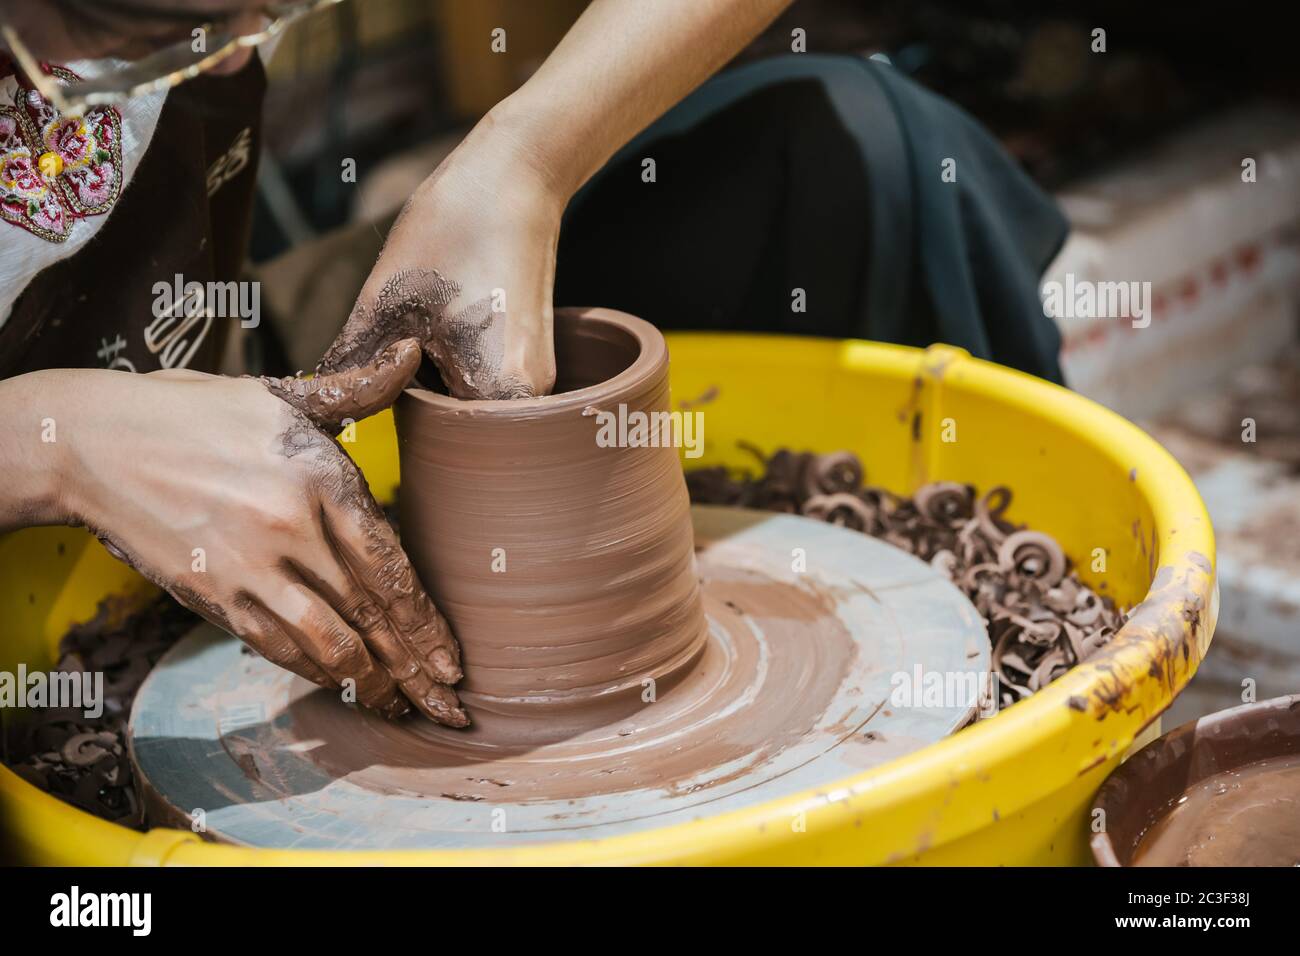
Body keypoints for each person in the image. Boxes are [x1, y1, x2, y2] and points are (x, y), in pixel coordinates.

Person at [0, 0, 1067, 726]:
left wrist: (528, 157)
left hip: (216, 341)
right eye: (153, 31)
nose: (236, 57)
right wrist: (62, 440)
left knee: (851, 151)